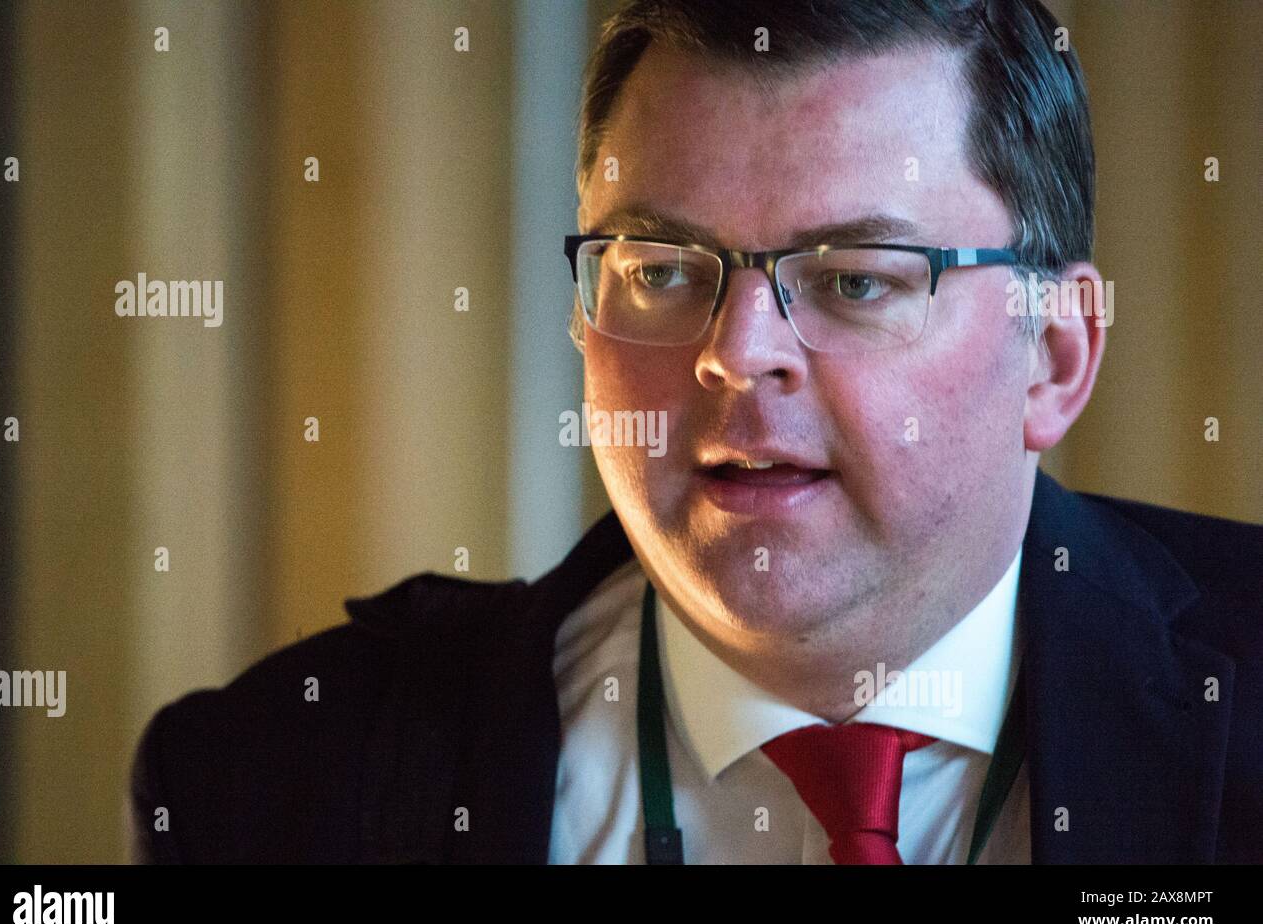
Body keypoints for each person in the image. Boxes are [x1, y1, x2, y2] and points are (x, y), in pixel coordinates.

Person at [128, 0, 1263, 864]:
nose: (735, 349)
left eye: (854, 281)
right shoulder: (267, 784)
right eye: (663, 270)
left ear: (1055, 356)